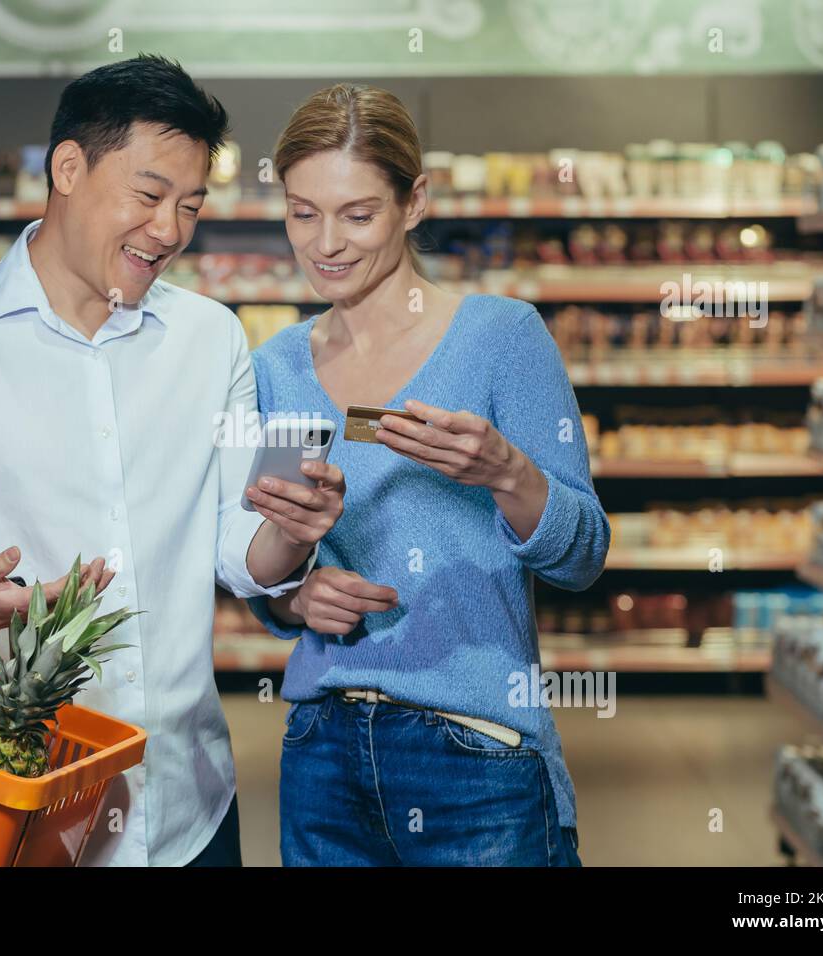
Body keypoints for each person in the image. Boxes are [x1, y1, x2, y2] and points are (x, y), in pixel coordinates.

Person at [0, 55, 345, 867]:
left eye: (190, 205)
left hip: (187, 805)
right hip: (4, 806)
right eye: (147, 196)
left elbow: (238, 546)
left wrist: (293, 529)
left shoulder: (210, 339)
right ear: (67, 168)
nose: (170, 230)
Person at [248, 84, 610, 866]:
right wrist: (292, 596)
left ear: (415, 203)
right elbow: (270, 565)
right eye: (303, 212)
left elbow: (583, 556)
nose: (325, 243)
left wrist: (507, 472)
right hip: (322, 749)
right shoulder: (276, 367)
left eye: (357, 213)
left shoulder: (501, 338)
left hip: (475, 752)